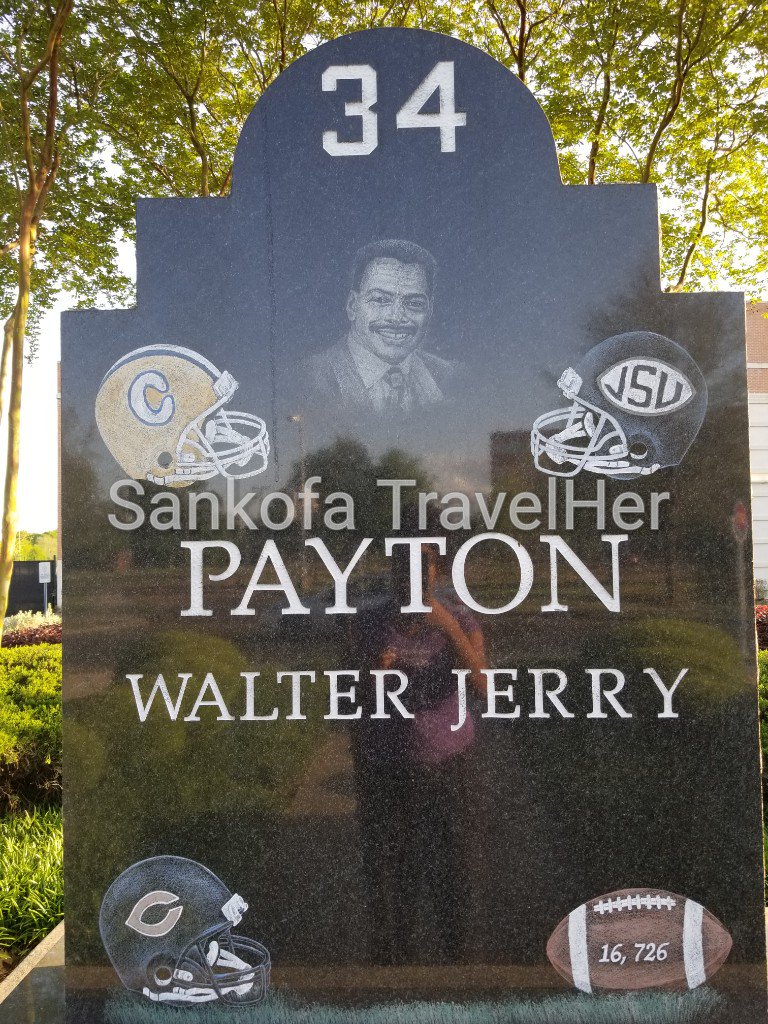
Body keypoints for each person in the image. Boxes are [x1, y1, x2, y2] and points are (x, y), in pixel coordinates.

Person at [348, 511, 487, 964]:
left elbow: (485, 685)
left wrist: (445, 625)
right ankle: (395, 963)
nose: (411, 570)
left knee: (453, 866)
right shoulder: (368, 621)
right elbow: (346, 697)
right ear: (391, 567)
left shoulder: (461, 617)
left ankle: (458, 958)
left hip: (448, 762)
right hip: (386, 764)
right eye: (401, 560)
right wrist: (373, 674)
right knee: (392, 870)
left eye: (421, 560)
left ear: (436, 568)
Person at [301, 239, 463, 414]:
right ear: (353, 306)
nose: (396, 317)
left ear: (429, 311)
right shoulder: (307, 380)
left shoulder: (452, 378)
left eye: (414, 303)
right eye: (380, 299)